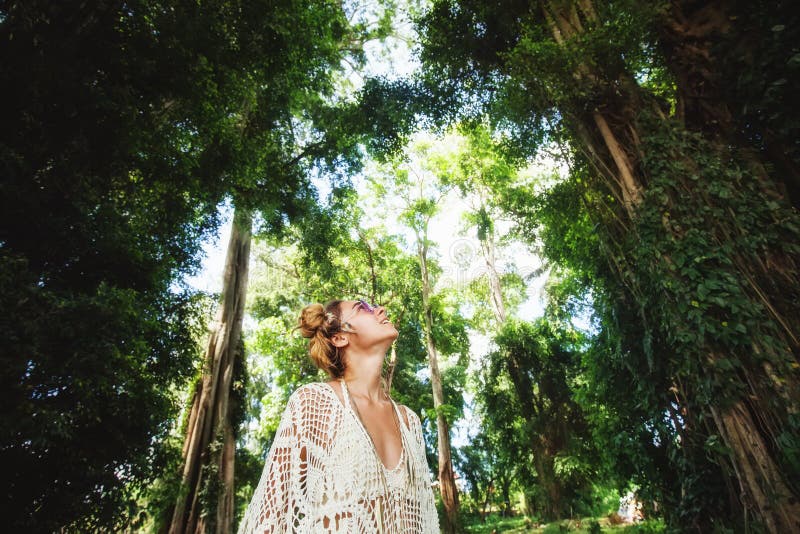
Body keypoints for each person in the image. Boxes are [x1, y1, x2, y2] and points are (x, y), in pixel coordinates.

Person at [237, 299, 440, 533]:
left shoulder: (409, 421)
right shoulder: (314, 403)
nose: (381, 310)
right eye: (362, 307)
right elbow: (269, 516)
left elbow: (426, 522)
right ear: (340, 337)